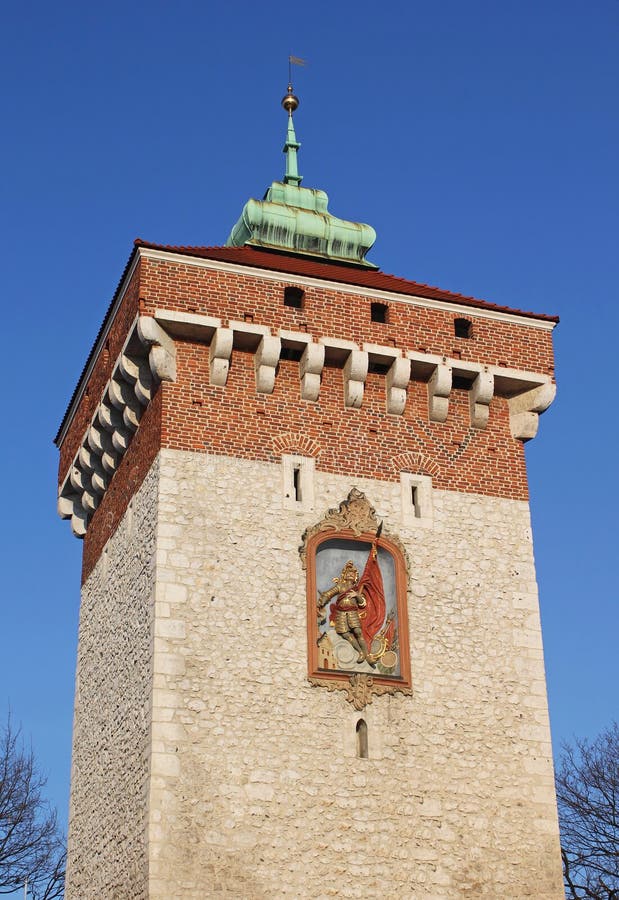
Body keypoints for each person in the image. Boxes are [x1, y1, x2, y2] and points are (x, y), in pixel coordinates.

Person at [317, 560, 376, 667]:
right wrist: (322, 601)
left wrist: (357, 595)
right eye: (348, 573)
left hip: (352, 612)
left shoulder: (357, 589)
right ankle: (360, 652)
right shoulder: (340, 586)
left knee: (358, 631)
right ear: (344, 575)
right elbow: (329, 593)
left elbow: (363, 603)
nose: (350, 574)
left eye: (352, 574)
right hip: (340, 614)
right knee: (345, 634)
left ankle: (366, 654)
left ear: (355, 577)